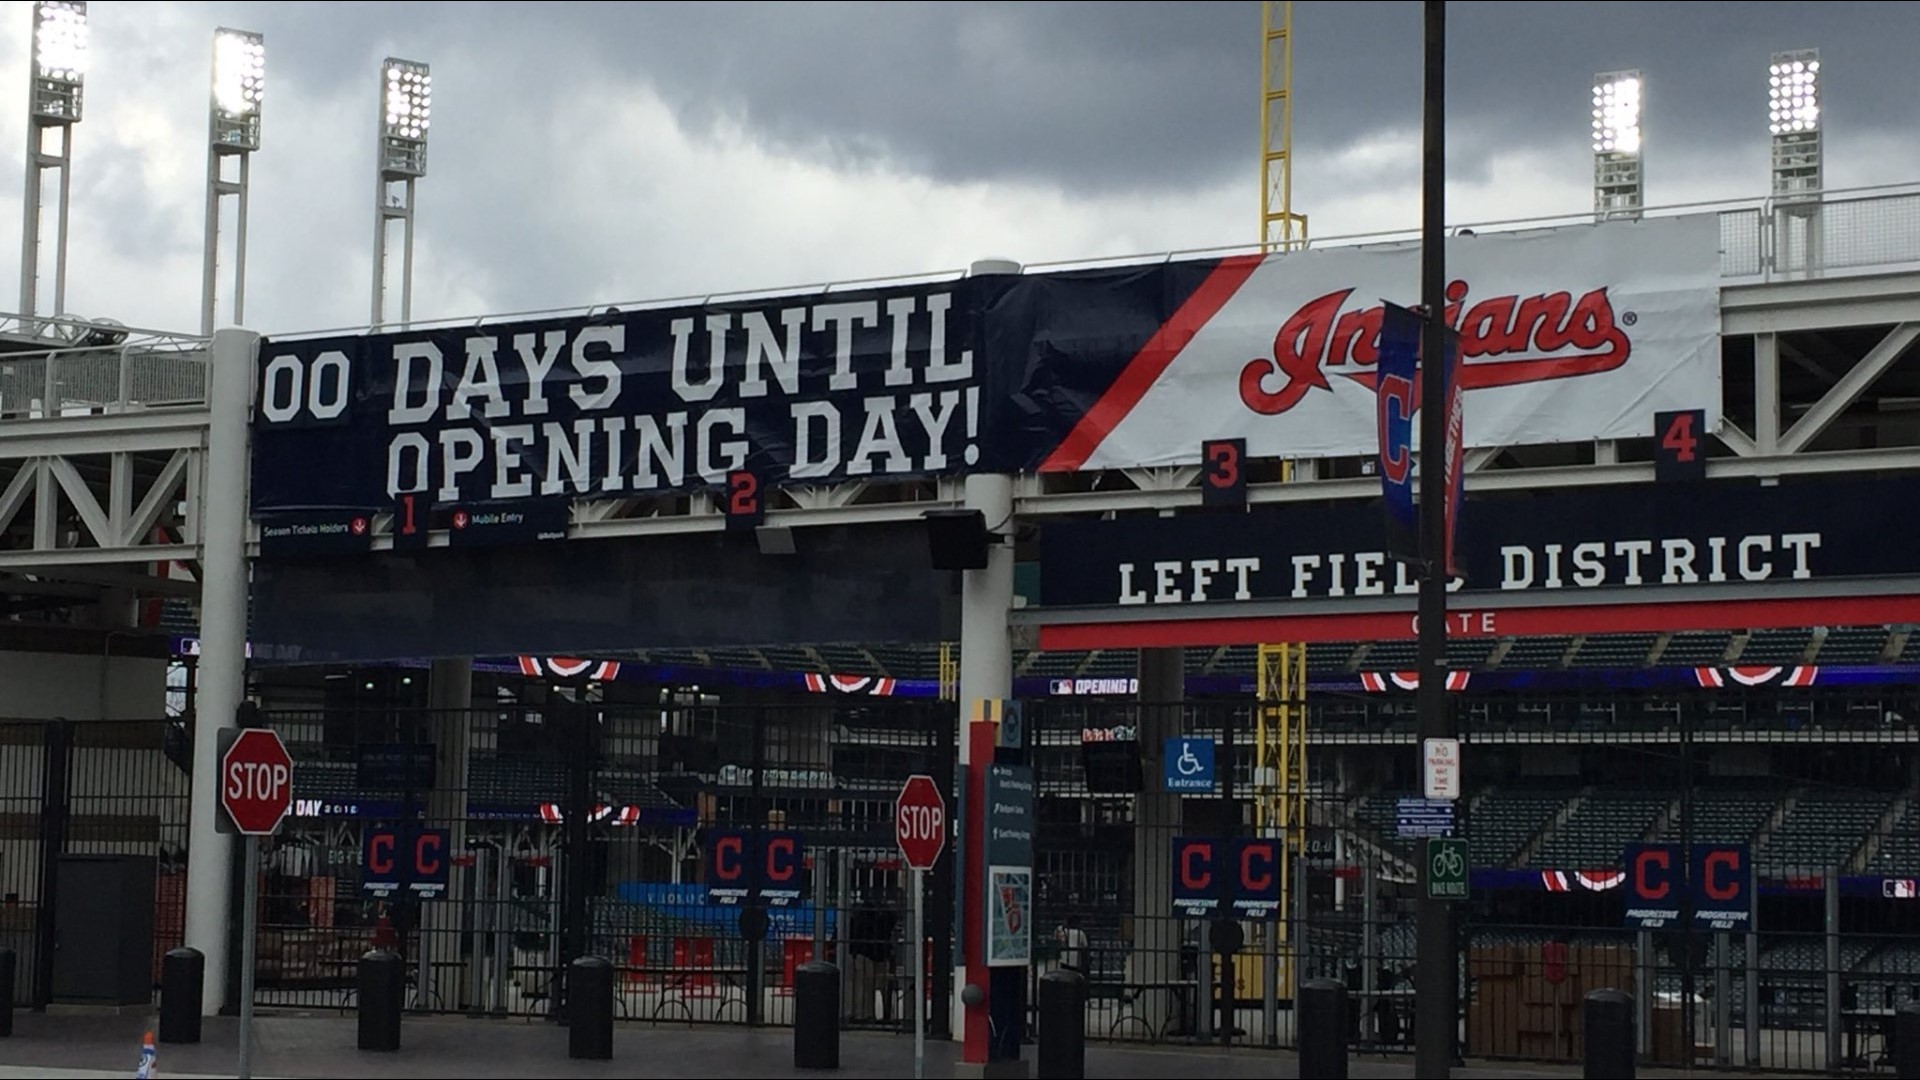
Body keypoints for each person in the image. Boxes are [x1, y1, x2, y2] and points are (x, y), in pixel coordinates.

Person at [848, 896, 897, 1022]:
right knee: (886, 986)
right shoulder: (886, 916)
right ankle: (888, 1015)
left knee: (864, 986)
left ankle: (865, 1015)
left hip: (863, 952)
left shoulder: (858, 916)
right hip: (881, 952)